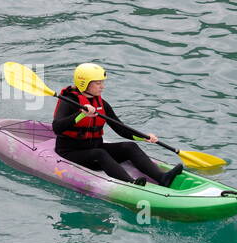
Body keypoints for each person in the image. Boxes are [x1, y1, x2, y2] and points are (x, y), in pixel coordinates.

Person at [52, 64, 184, 188]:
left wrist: (144, 137)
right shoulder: (68, 101)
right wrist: (81, 115)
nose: (102, 86)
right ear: (84, 83)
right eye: (98, 83)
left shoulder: (102, 103)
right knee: (100, 153)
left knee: (129, 146)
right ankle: (131, 183)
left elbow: (120, 128)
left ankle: (162, 178)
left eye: (102, 82)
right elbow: (57, 128)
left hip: (94, 147)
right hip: (70, 151)